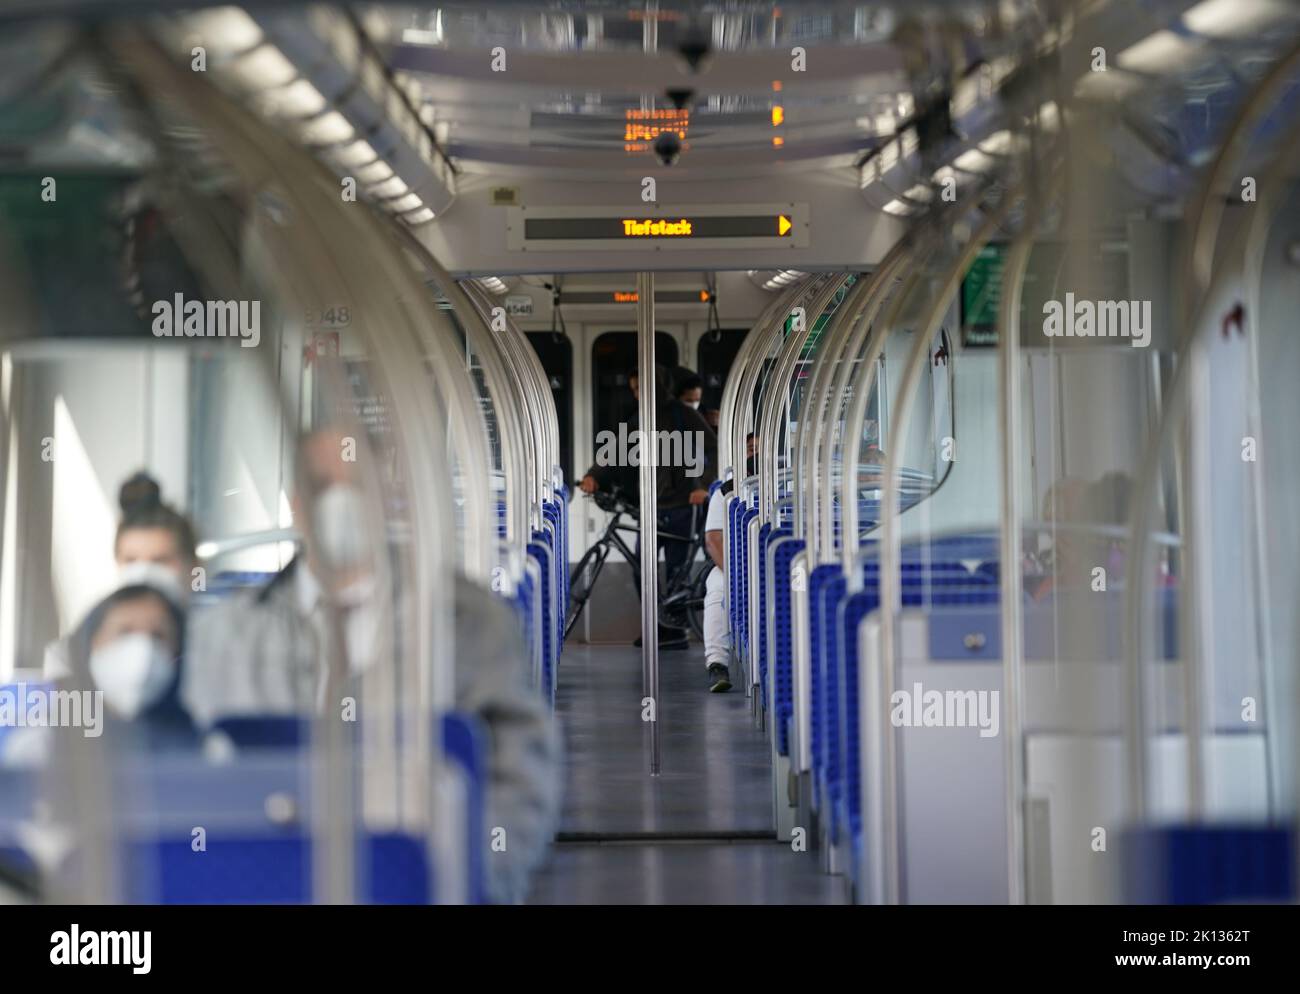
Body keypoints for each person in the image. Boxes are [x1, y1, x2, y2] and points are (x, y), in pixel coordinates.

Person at [184, 429, 561, 904]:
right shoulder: (227, 635)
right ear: (297, 503)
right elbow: (196, 779)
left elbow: (518, 770)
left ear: (389, 495)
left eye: (358, 485)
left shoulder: (468, 621)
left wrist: (468, 879)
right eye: (323, 487)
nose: (340, 503)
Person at [579, 365, 717, 650]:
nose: (637, 394)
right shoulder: (638, 421)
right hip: (652, 508)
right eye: (634, 390)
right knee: (642, 569)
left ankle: (675, 631)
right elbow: (613, 452)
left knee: (677, 571)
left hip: (681, 506)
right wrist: (593, 475)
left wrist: (703, 486)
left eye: (641, 388)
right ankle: (658, 626)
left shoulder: (683, 415)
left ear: (656, 387)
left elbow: (713, 449)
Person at [43, 472, 198, 680]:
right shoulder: (71, 654)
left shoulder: (225, 649)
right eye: (131, 560)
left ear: (193, 566)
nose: (144, 573)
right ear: (117, 563)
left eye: (160, 561)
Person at [701, 482, 732, 692]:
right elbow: (713, 540)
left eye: (754, 446)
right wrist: (735, 575)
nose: (752, 451)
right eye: (747, 447)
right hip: (733, 563)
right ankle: (717, 663)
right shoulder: (725, 492)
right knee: (718, 587)